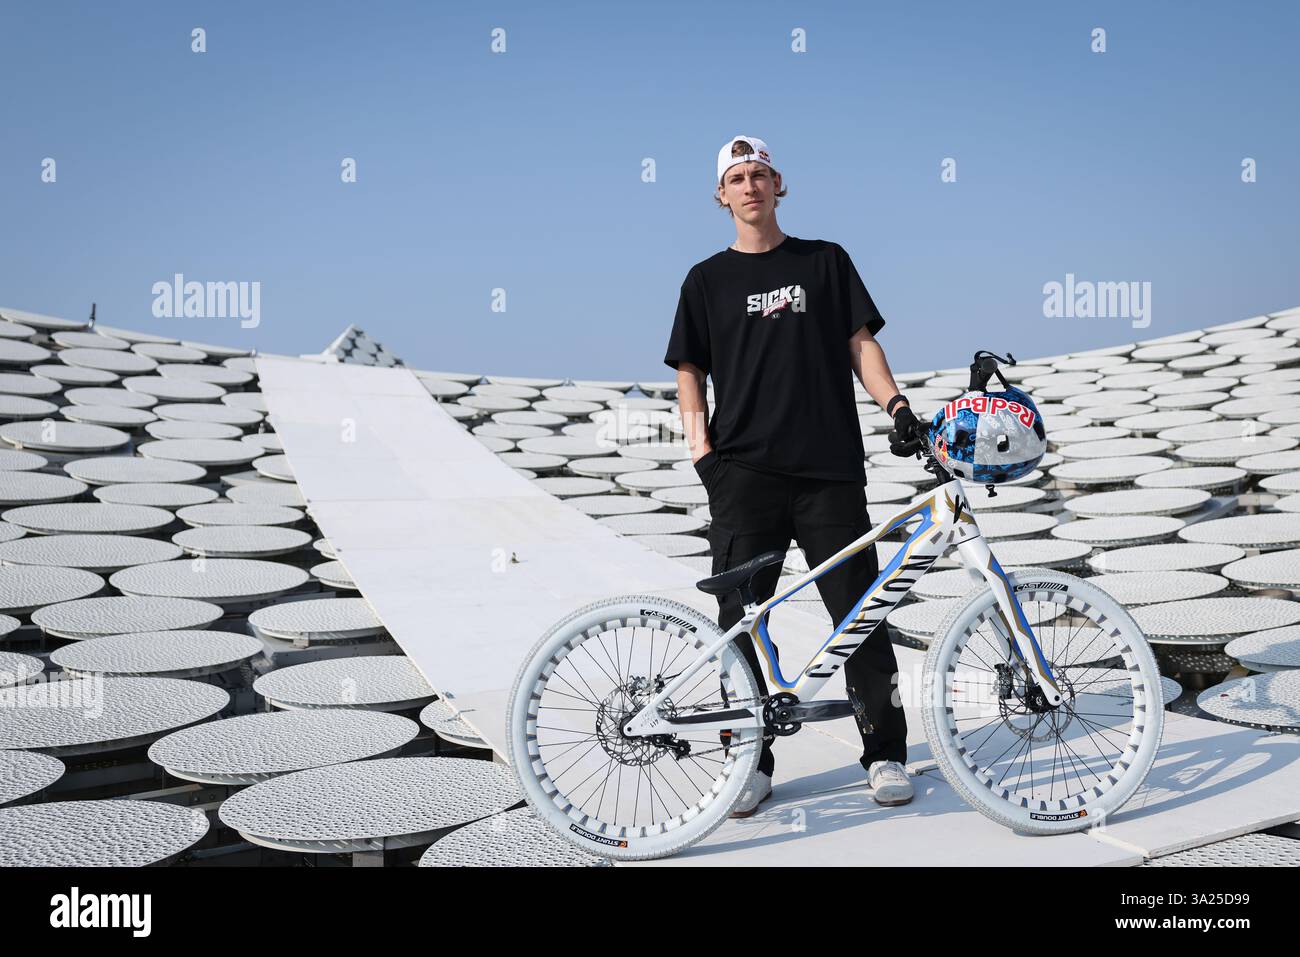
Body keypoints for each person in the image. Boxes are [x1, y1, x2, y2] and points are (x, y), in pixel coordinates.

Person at [663, 135, 923, 817]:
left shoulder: (824, 262)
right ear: (721, 196)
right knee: (743, 622)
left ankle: (886, 752)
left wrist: (895, 405)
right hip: (743, 474)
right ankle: (751, 761)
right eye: (737, 178)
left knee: (861, 612)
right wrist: (704, 459)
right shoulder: (704, 280)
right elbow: (688, 374)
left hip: (829, 469)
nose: (750, 186)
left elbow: (861, 344)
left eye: (761, 174)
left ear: (781, 185)